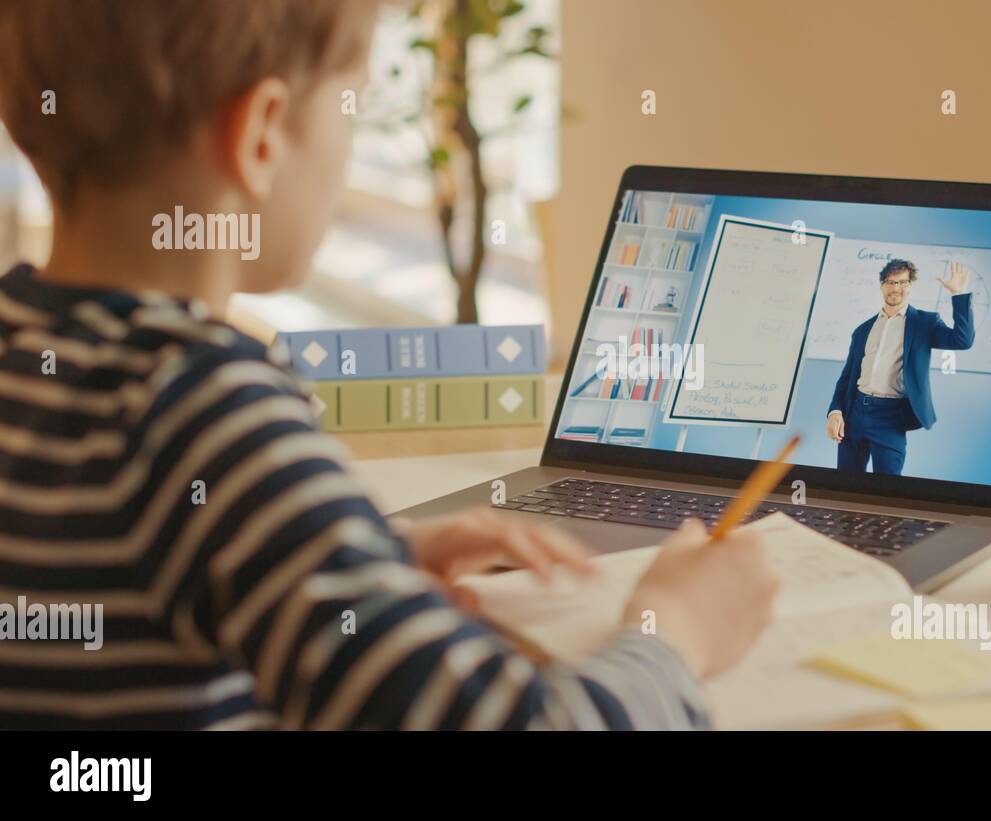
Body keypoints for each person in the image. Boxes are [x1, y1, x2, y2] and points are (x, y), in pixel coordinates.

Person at [0, 0, 778, 729]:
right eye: (351, 105)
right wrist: (675, 631)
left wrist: (357, 552)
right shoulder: (208, 411)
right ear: (262, 136)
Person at [825, 259, 974, 474]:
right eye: (890, 282)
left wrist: (958, 294)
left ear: (910, 286)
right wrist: (835, 411)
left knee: (887, 487)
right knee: (845, 484)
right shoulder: (863, 330)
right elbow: (847, 377)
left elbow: (962, 340)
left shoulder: (925, 323)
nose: (896, 288)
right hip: (854, 413)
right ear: (882, 286)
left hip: (891, 417)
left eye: (903, 282)